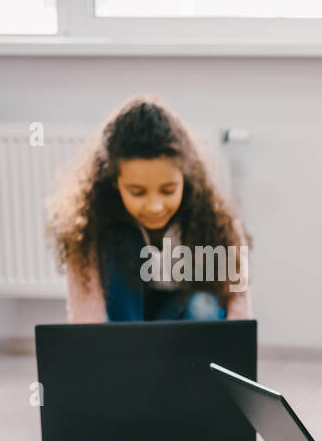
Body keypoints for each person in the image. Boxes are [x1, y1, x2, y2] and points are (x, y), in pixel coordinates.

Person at [48, 95, 251, 322]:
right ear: (115, 182)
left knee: (203, 304)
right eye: (137, 192)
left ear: (185, 178)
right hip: (130, 326)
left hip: (189, 322)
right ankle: (133, 347)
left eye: (167, 190)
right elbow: (86, 315)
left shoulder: (214, 219)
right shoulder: (91, 225)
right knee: (120, 238)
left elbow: (237, 300)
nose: (155, 206)